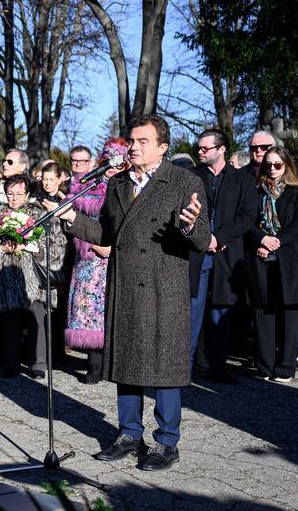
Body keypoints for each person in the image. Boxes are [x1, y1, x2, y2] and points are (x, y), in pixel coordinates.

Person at [53, 115, 209, 472]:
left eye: (142, 141)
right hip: (124, 284)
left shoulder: (184, 181)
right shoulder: (119, 183)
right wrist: (71, 218)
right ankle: (128, 434)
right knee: (127, 362)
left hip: (163, 286)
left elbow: (201, 237)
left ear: (162, 147)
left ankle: (167, 442)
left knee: (164, 365)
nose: (134, 147)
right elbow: (106, 232)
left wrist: (188, 226)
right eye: (131, 141)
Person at [244, 146, 298, 383]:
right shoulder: (255, 191)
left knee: (290, 314)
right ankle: (265, 365)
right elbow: (247, 221)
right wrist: (261, 239)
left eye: (277, 164)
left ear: (286, 165)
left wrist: (273, 243)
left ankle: (286, 366)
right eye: (268, 164)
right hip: (260, 255)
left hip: (290, 257)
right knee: (263, 311)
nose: (272, 169)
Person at [0, 174, 65, 379]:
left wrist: (31, 246)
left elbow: (57, 246)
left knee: (37, 320)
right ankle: (11, 362)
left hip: (33, 278)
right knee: (10, 323)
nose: (13, 198)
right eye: (10, 194)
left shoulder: (42, 216)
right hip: (5, 277)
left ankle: (39, 362)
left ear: (28, 194)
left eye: (18, 194)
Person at [188, 129, 259, 384]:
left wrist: (219, 238)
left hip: (227, 252)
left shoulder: (243, 180)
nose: (200, 152)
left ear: (221, 150)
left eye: (205, 148)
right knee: (192, 310)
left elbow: (248, 216)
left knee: (222, 311)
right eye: (199, 148)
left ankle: (218, 367)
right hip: (197, 252)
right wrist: (204, 238)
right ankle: (185, 368)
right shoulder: (191, 176)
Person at [63, 140, 121, 384]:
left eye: (116, 163)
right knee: (91, 312)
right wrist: (94, 246)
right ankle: (94, 365)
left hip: (118, 259)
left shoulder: (128, 187)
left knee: (115, 310)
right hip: (90, 259)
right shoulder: (86, 187)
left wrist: (114, 248)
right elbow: (72, 223)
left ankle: (115, 364)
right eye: (107, 163)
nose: (111, 168)